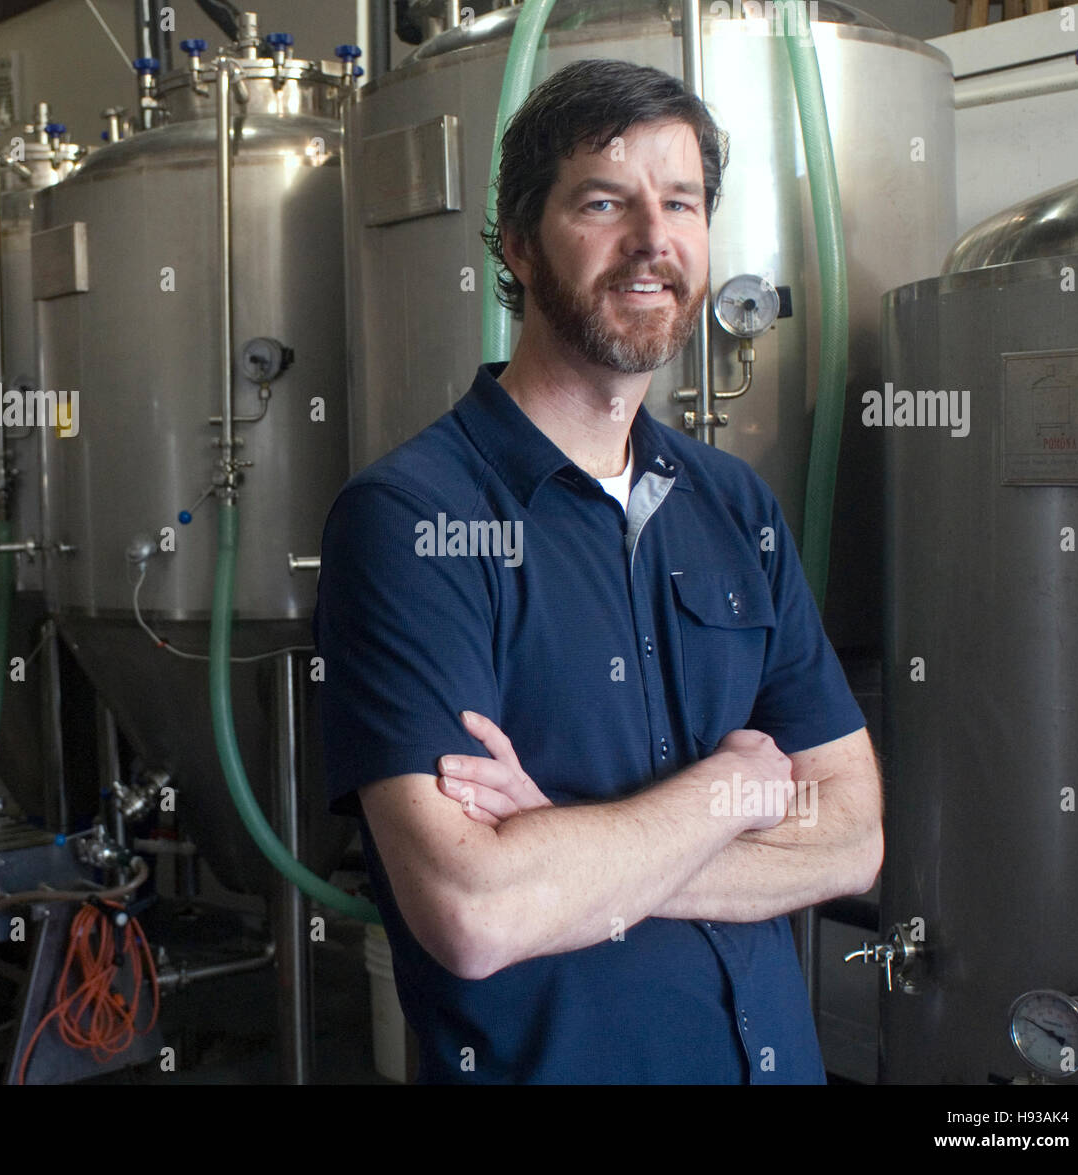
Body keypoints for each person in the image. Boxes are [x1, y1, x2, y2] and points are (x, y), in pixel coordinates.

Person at [313, 57, 882, 1084]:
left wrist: (569, 849)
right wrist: (732, 789)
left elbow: (851, 838)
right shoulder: (412, 520)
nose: (653, 239)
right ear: (520, 244)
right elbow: (475, 908)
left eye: (682, 203)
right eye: (605, 202)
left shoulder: (735, 505)